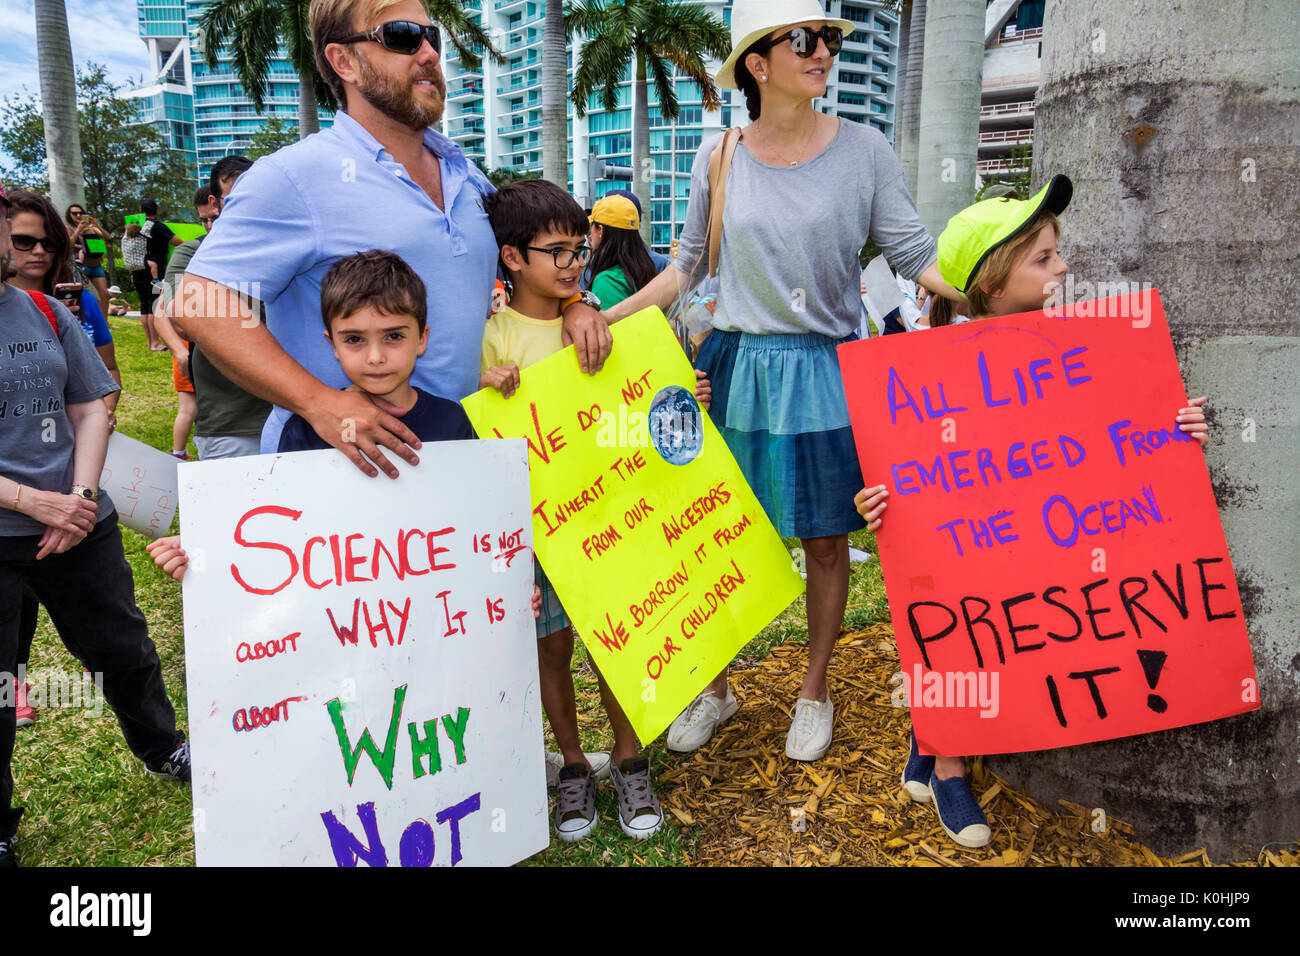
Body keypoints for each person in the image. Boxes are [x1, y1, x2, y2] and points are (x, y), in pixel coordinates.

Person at [601, 0, 963, 762]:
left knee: (826, 541)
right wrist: (600, 319)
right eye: (805, 38)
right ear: (757, 66)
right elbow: (685, 268)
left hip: (830, 369)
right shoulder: (719, 155)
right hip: (731, 369)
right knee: (714, 537)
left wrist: (987, 288)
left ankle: (814, 688)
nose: (824, 49)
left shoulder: (865, 150)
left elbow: (913, 255)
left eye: (829, 37)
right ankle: (718, 688)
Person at [852, 175, 1210, 848]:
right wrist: (876, 502)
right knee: (954, 618)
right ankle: (946, 757)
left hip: (1047, 540)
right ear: (991, 283)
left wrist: (1177, 432)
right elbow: (904, 470)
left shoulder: (1086, 348)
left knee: (1006, 625)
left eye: (1057, 253)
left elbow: (1122, 428)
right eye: (1043, 258)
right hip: (965, 547)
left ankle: (931, 739)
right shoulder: (928, 370)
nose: (1064, 267)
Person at [177, 0, 610, 484]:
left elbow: (532, 263)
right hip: (340, 471)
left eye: (433, 37)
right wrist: (319, 403)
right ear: (344, 62)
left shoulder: (468, 177)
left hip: (460, 458)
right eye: (403, 36)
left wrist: (577, 304)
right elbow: (199, 301)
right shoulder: (294, 177)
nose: (427, 53)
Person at [479, 179, 682, 842]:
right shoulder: (494, 338)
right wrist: (489, 385)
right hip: (534, 527)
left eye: (578, 249)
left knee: (615, 641)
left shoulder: (600, 323)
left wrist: (685, 395)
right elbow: (479, 425)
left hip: (608, 516)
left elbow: (643, 401)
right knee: (553, 646)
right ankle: (572, 764)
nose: (572, 263)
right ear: (512, 258)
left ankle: (628, 757)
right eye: (556, 252)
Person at [0, 179, 191, 868]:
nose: (16, 248)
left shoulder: (46, 312)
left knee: (125, 651)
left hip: (83, 527)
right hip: (12, 534)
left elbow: (89, 407)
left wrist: (78, 497)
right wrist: (33, 502)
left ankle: (163, 746)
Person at [4, 191, 121, 427]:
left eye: (49, 243)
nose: (39, 251)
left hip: (80, 441)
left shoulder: (85, 302)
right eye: (24, 241)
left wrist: (104, 413)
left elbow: (109, 368)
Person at [584, 195, 658, 311]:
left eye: (591, 228)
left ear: (600, 231)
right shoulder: (644, 269)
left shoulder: (608, 281)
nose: (589, 235)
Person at [139, 198, 181, 351]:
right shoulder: (158, 227)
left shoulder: (138, 228)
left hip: (140, 269)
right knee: (155, 304)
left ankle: (151, 342)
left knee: (145, 306)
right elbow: (178, 242)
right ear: (156, 211)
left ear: (141, 212)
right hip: (156, 271)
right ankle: (156, 342)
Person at [65, 204, 111, 315]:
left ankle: (104, 323)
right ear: (69, 215)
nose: (78, 215)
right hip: (80, 266)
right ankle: (83, 321)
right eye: (74, 213)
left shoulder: (92, 227)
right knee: (82, 296)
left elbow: (108, 237)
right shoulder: (69, 228)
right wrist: (78, 230)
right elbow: (68, 246)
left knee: (104, 294)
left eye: (80, 212)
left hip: (96, 264)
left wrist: (96, 226)